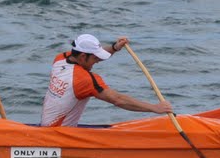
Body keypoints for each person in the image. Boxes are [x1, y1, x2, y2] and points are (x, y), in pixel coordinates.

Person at [41, 34, 173, 127]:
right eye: (95, 58)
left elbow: (91, 55)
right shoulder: (84, 80)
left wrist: (115, 47)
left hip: (46, 127)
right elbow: (118, 99)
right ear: (82, 56)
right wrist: (155, 108)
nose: (97, 61)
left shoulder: (61, 59)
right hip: (60, 135)